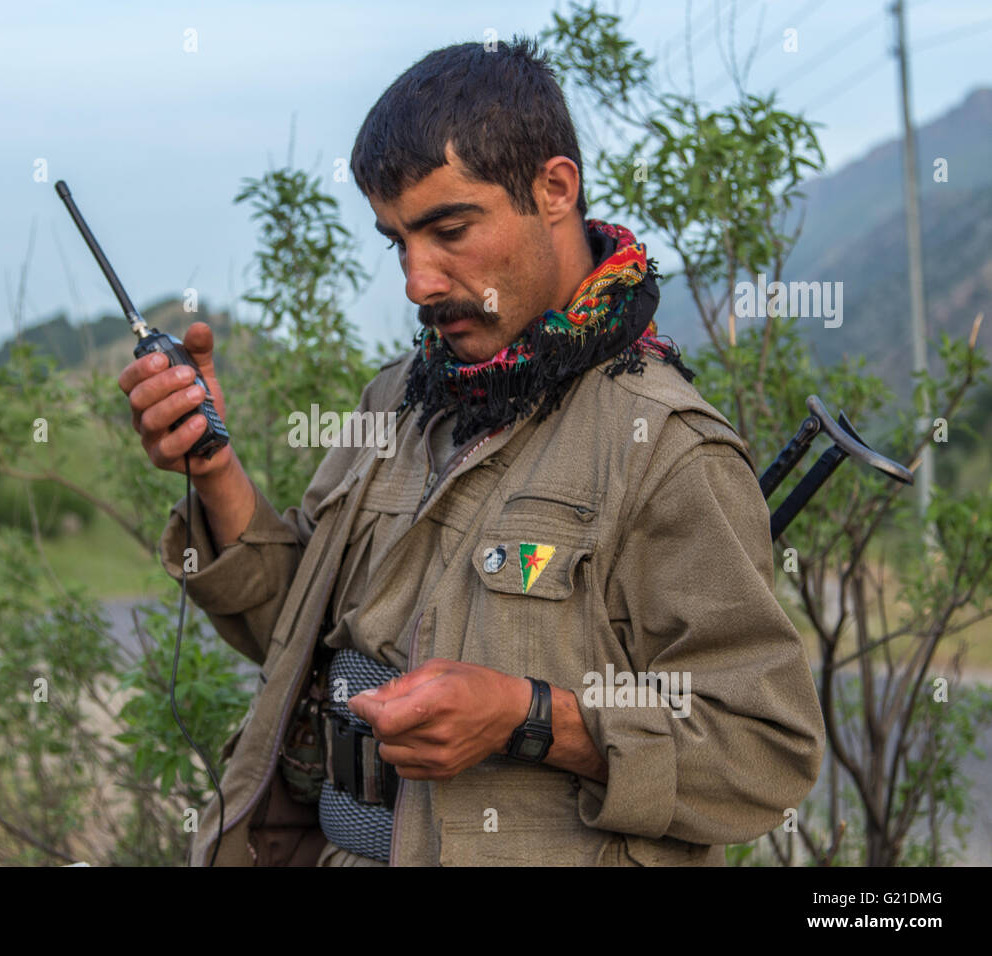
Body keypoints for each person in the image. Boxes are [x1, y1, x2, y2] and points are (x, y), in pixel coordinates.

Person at [118, 36, 825, 866]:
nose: (418, 282)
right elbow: (297, 631)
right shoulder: (401, 400)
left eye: (449, 230)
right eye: (397, 242)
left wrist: (536, 720)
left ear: (553, 188)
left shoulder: (664, 445)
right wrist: (213, 468)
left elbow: (765, 751)